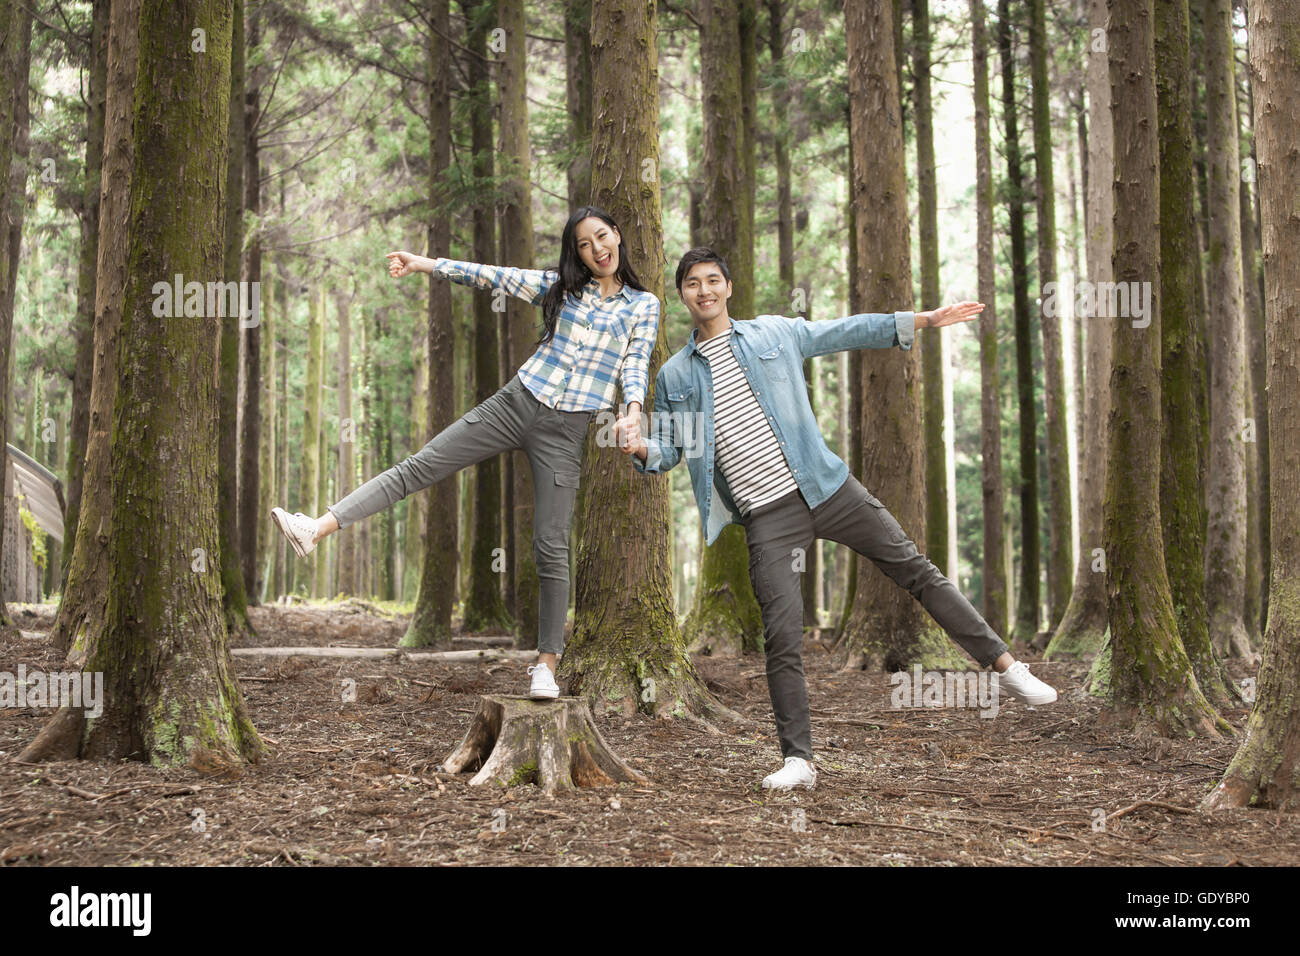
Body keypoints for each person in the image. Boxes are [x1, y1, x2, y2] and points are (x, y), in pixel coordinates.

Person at [623, 247, 1057, 791]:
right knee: (782, 636)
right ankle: (798, 760)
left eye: (713, 280)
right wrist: (641, 448)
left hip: (827, 488)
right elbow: (671, 449)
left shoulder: (775, 334)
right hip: (767, 518)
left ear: (728, 288)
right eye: (692, 283)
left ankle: (1007, 668)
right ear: (682, 294)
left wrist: (921, 321)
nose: (704, 290)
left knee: (915, 569)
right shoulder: (675, 375)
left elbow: (843, 332)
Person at [271, 206, 658, 700]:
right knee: (421, 465)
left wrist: (631, 410)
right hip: (517, 401)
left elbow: (636, 362)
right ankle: (317, 528)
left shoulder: (642, 305)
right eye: (584, 244)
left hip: (567, 430)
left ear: (617, 237)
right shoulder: (560, 287)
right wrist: (425, 263)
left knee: (551, 545)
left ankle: (545, 665)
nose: (597, 249)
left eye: (602, 237)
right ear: (577, 253)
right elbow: (492, 276)